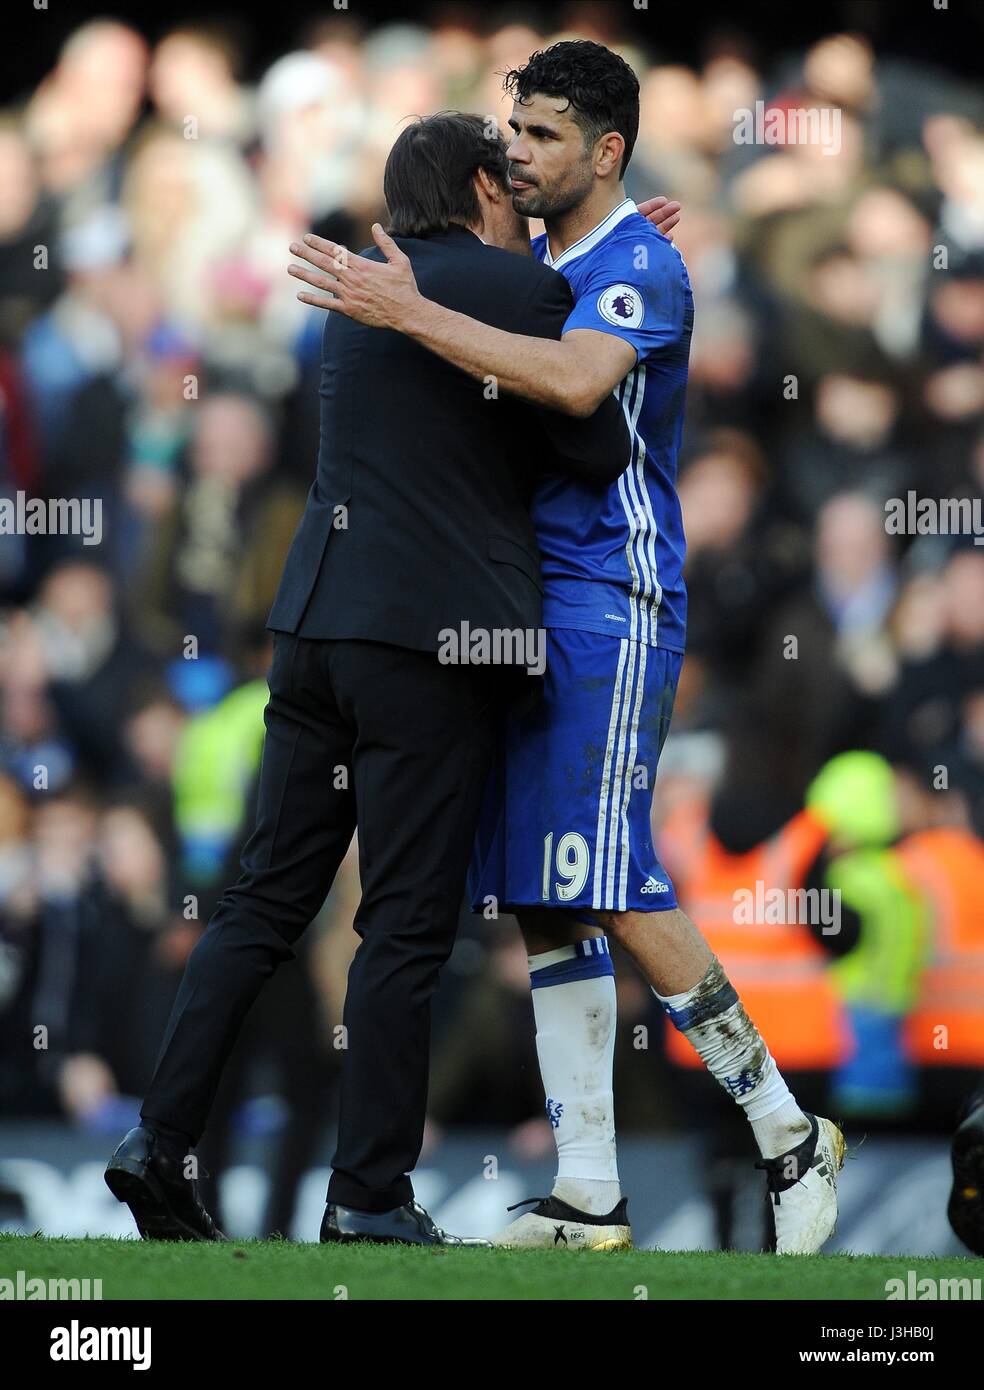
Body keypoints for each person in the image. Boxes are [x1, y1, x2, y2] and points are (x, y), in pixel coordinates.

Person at [289, 39, 845, 1254]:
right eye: (513, 132)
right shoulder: (563, 252)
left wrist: (410, 308)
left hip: (612, 596)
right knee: (545, 890)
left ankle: (787, 1127)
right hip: (532, 604)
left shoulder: (643, 265)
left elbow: (582, 381)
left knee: (605, 874)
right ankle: (589, 1189)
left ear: (602, 149)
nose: (515, 154)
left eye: (542, 136)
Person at [104, 111, 635, 1247]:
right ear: (487, 188)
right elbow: (596, 443)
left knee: (261, 901)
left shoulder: (356, 300)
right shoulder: (520, 296)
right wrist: (573, 283)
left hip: (314, 628)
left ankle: (155, 1139)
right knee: (402, 925)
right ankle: (370, 1194)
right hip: (436, 649)